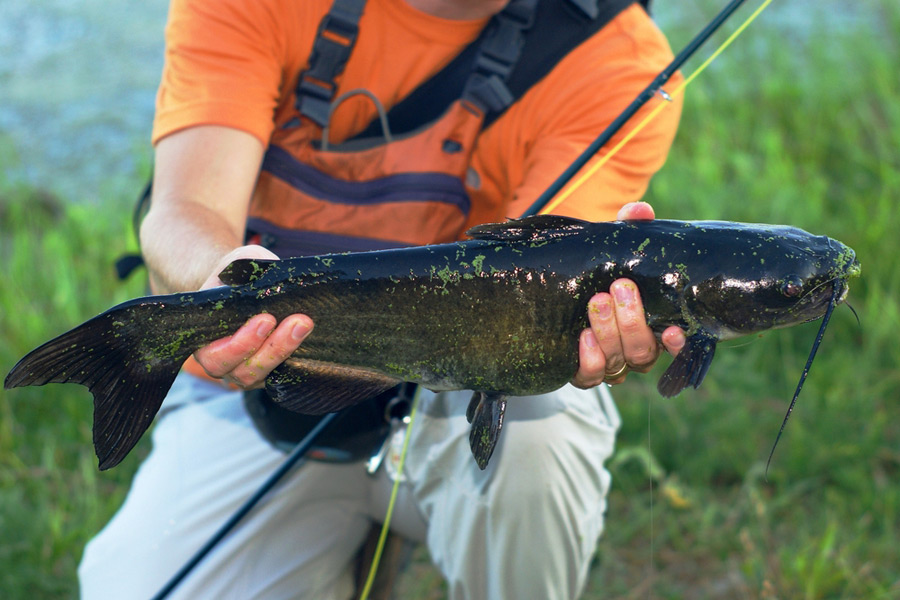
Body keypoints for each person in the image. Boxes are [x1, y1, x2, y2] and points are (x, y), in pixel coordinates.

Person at [78, 0, 686, 598]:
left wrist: (579, 332)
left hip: (463, 399)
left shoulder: (617, 57)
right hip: (258, 394)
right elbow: (185, 209)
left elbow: (551, 283)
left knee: (539, 431)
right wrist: (217, 277)